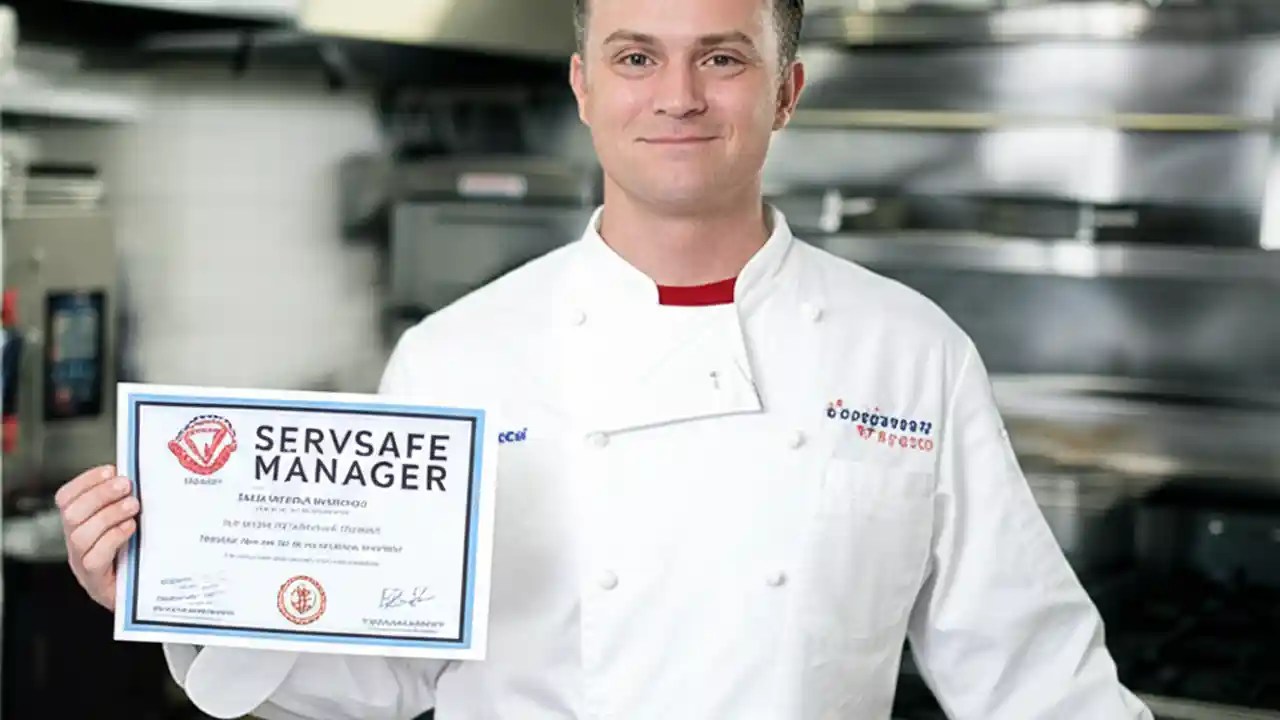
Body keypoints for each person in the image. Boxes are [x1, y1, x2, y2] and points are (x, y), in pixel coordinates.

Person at [55, 0, 1155, 717]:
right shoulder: (458, 356)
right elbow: (381, 674)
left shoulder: (908, 353)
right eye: (636, 57)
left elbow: (1033, 678)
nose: (676, 96)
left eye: (720, 58)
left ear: (785, 89)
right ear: (583, 87)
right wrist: (187, 588)